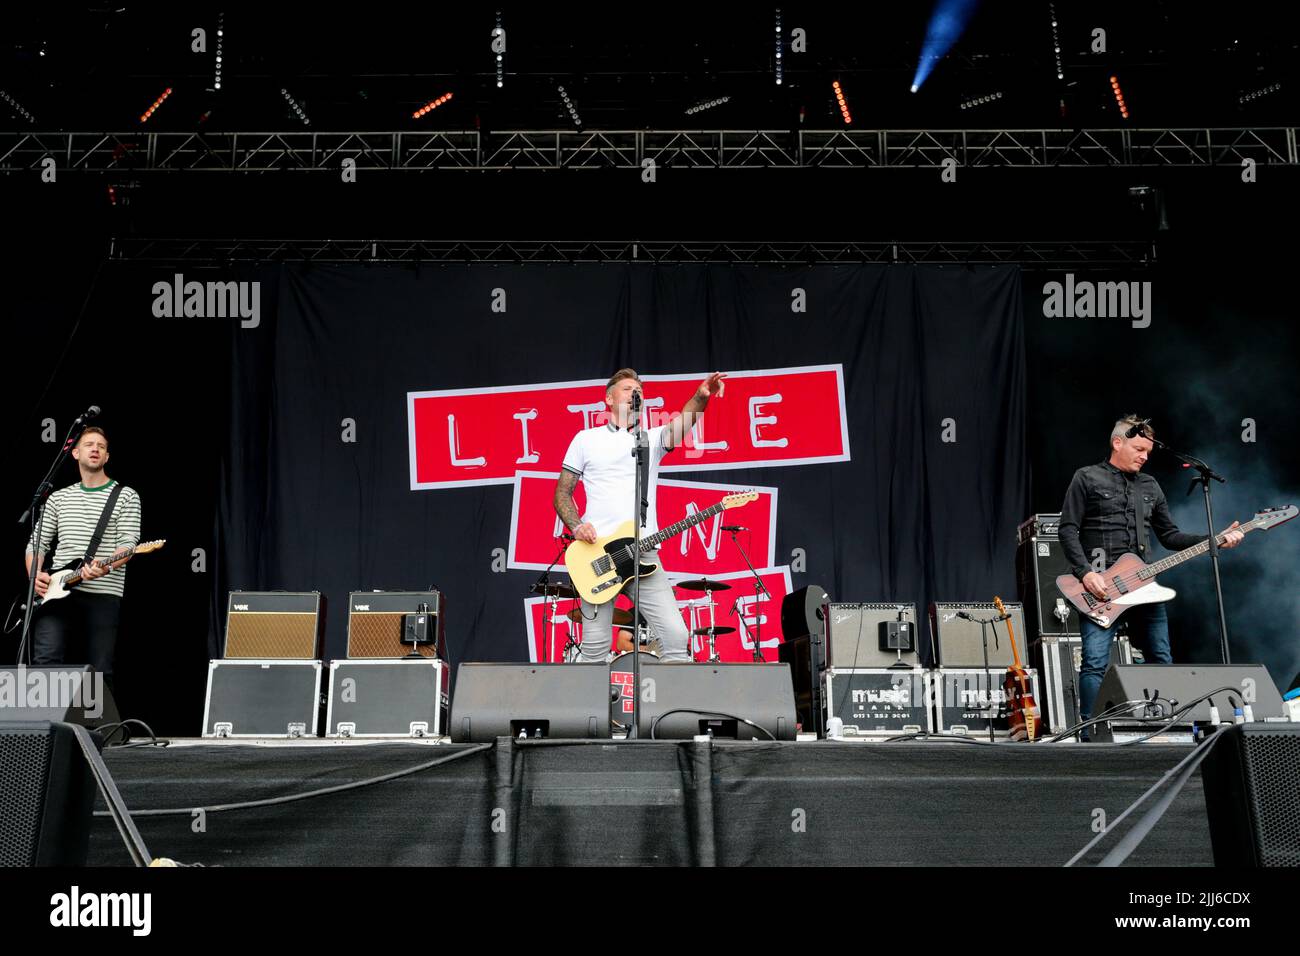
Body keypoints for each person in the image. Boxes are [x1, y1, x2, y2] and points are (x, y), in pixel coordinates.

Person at [1058, 415, 1243, 726]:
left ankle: (1166, 725)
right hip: (1101, 589)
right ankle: (1088, 733)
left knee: (1161, 657)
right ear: (1118, 443)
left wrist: (1215, 539)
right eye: (1139, 448)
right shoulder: (1087, 477)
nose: (1144, 456)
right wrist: (1086, 573)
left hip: (1144, 587)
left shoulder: (1150, 485)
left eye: (1148, 452)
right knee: (1094, 663)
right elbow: (1067, 529)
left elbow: (1169, 536)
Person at [555, 368, 726, 662]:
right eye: (627, 389)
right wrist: (577, 525)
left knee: (676, 636)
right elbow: (562, 493)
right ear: (608, 398)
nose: (635, 393)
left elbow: (683, 424)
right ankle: (592, 708)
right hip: (597, 554)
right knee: (595, 645)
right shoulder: (586, 439)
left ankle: (675, 708)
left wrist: (700, 397)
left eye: (639, 390)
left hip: (643, 552)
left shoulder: (651, 439)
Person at [23, 426, 142, 688]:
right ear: (75, 453)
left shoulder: (126, 495)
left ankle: (97, 729)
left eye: (101, 446)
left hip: (103, 591)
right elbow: (36, 545)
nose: (96, 449)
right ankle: (46, 727)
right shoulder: (58, 498)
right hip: (56, 590)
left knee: (99, 672)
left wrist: (105, 568)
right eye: (89, 444)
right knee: (45, 663)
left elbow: (127, 545)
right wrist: (36, 575)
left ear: (107, 457)